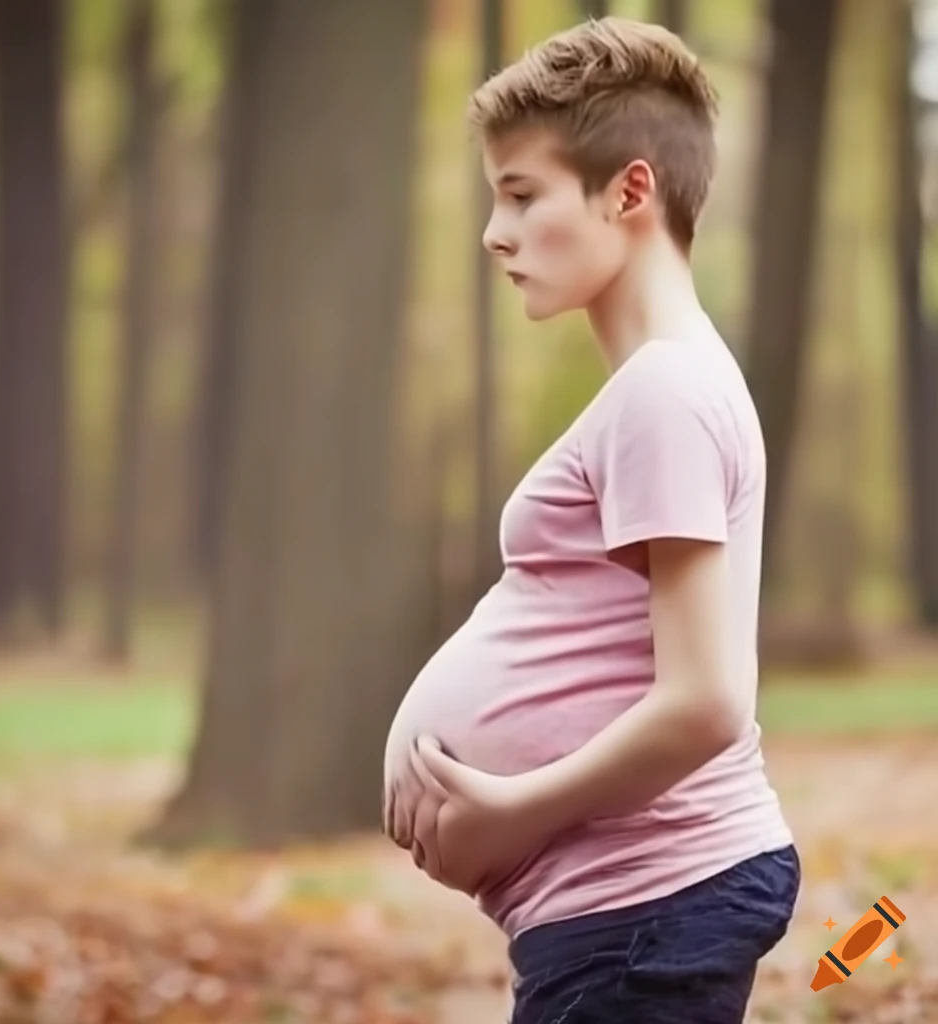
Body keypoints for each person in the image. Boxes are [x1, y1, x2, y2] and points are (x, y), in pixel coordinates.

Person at [381, 15, 799, 1024]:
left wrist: (515, 809)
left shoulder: (664, 391)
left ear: (629, 190)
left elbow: (707, 699)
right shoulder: (662, 387)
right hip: (632, 913)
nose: (495, 231)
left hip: (647, 907)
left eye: (522, 195)